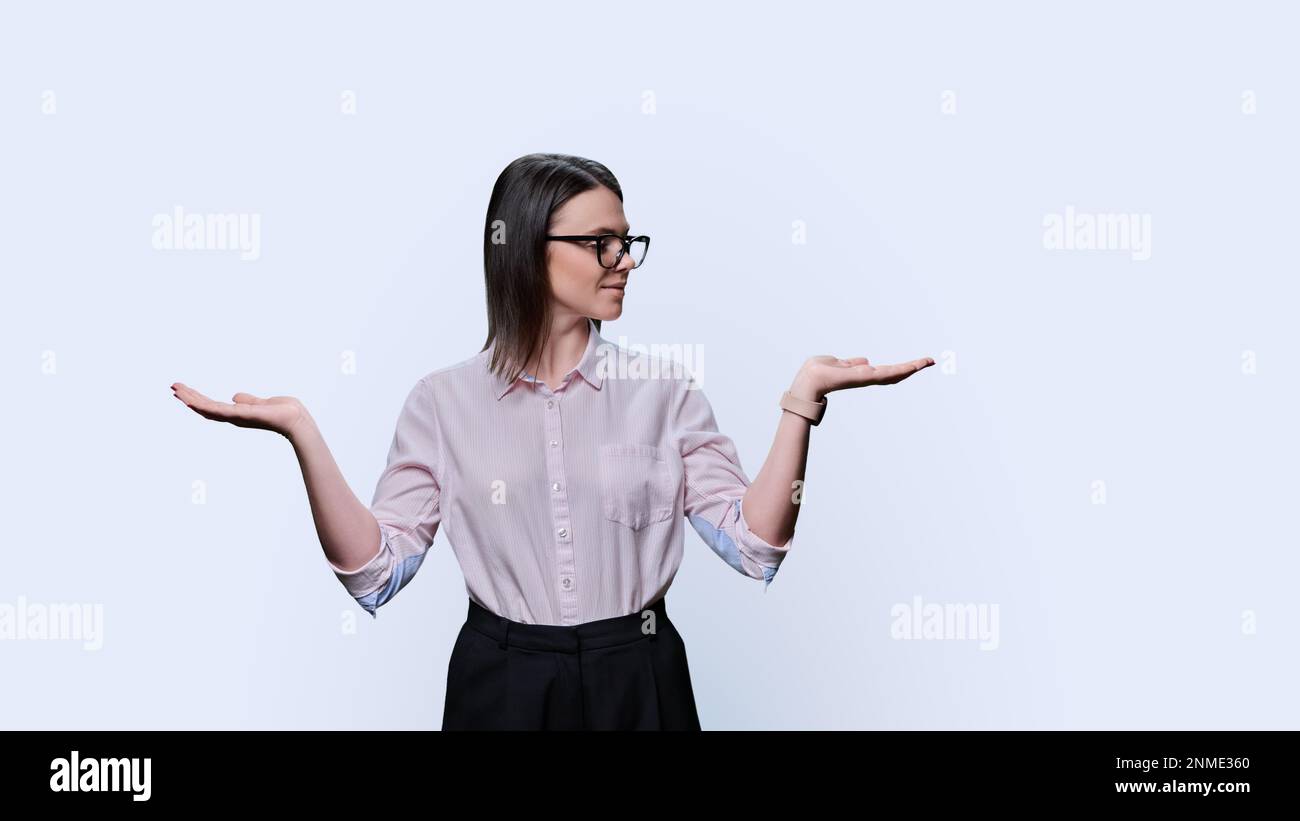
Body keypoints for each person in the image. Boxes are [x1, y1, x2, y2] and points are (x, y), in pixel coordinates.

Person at [171, 152, 934, 730]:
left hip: (640, 675)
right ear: (531, 248)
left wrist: (800, 406)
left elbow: (754, 545)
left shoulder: (665, 392)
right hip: (501, 682)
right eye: (601, 241)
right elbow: (377, 572)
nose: (624, 259)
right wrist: (302, 431)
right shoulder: (442, 402)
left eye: (628, 240)